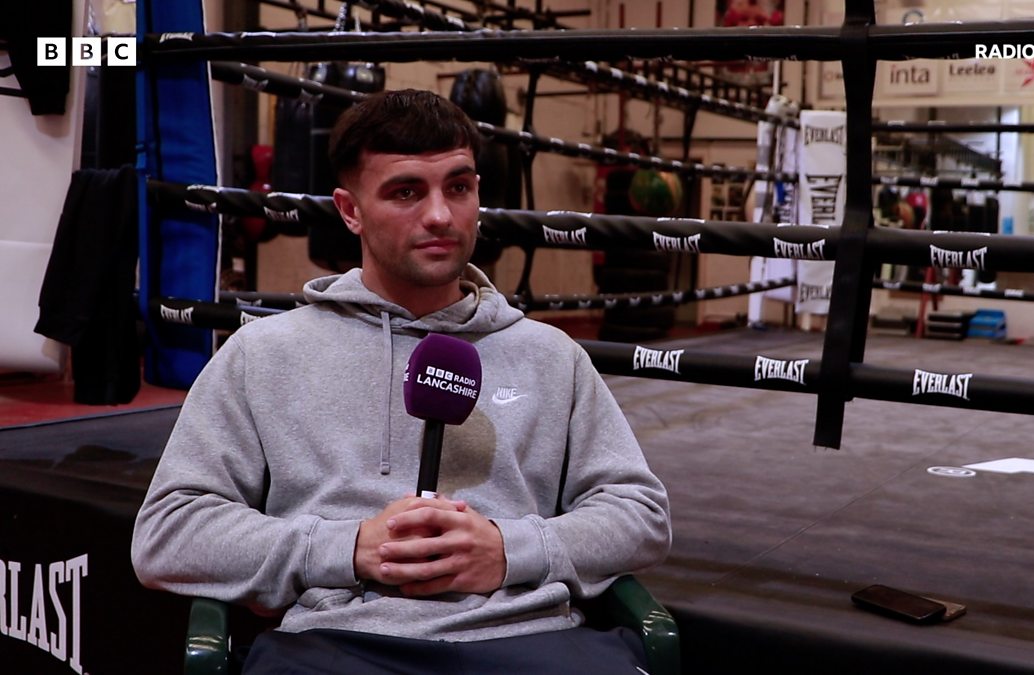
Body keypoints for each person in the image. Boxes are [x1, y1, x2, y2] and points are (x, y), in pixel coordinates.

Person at [131, 89, 671, 674]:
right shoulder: (263, 356)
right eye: (406, 191)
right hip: (336, 642)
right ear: (349, 210)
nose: (440, 215)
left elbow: (639, 514)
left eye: (458, 187)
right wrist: (347, 548)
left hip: (528, 639)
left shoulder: (549, 355)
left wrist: (510, 549)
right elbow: (168, 533)